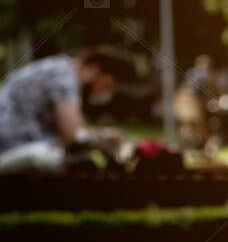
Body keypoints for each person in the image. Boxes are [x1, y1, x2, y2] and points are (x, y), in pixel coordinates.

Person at [0, 46, 134, 175]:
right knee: (55, 158)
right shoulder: (63, 76)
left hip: (16, 144)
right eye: (104, 86)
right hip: (8, 149)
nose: (99, 93)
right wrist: (108, 136)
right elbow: (72, 135)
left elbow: (76, 130)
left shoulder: (60, 68)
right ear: (95, 70)